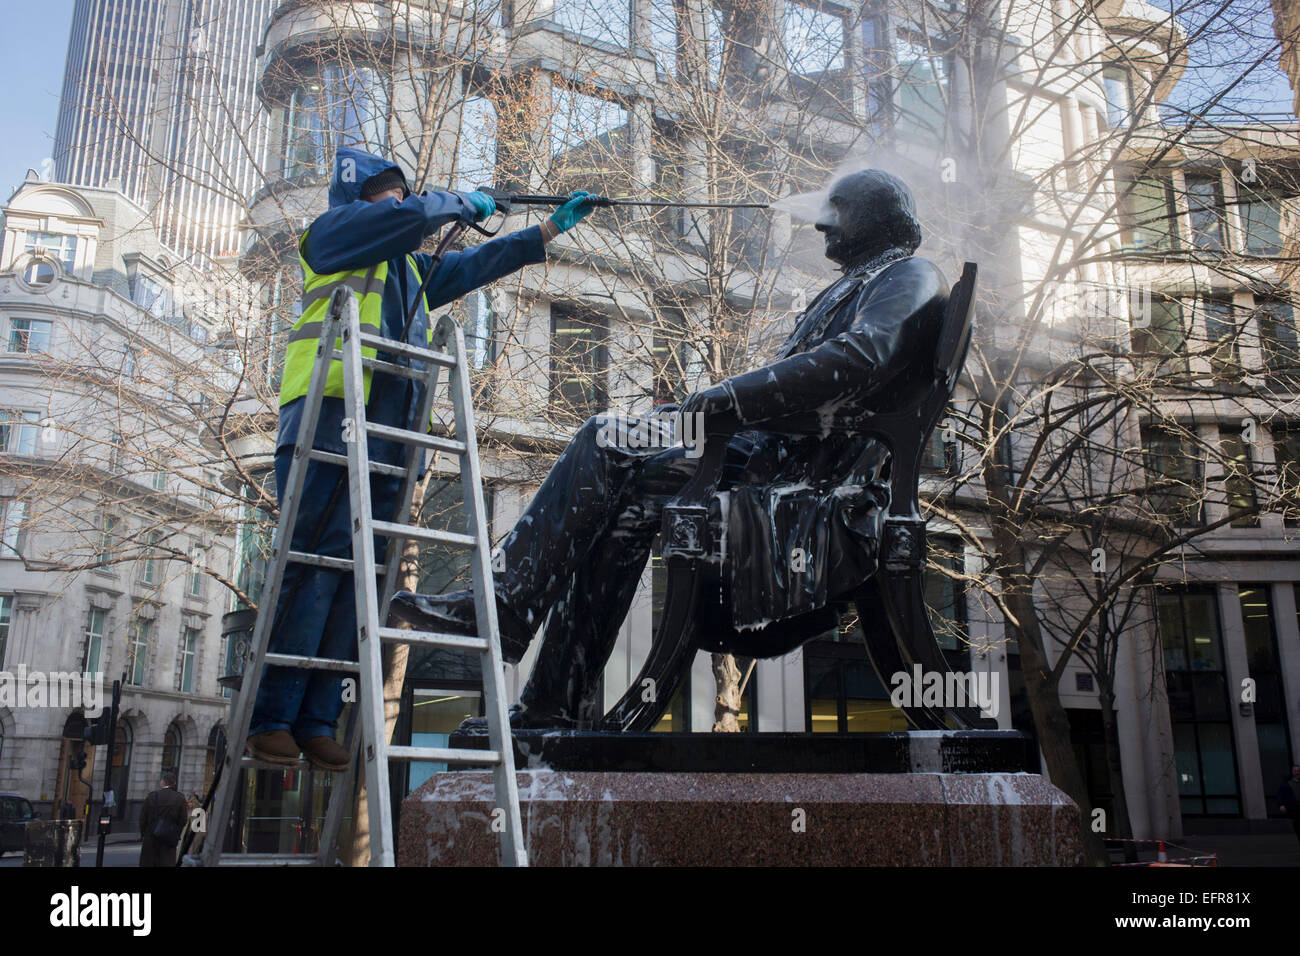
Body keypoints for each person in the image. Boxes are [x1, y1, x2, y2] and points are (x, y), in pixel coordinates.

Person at [388, 169, 948, 730]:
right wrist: (693, 410)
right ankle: (548, 704)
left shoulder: (910, 275)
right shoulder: (860, 282)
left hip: (799, 475)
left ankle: (509, 609)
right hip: (763, 455)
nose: (823, 226)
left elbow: (862, 356)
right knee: (617, 491)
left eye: (839, 210)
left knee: (606, 437)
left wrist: (729, 395)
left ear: (876, 215)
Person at [244, 146, 596, 770]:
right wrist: (458, 201)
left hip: (387, 422)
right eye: (392, 194)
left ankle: (318, 717)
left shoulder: (403, 263)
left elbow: (469, 267)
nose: (404, 204)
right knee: (315, 559)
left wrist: (541, 231)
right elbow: (401, 223)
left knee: (360, 572)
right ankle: (273, 715)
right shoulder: (330, 234)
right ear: (361, 197)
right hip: (329, 410)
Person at [138, 771, 189, 867]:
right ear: (174, 783)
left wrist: (144, 834)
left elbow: (142, 819)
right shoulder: (180, 798)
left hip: (151, 837)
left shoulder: (152, 796)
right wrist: (175, 833)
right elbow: (183, 820)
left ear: (162, 782)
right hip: (168, 839)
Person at [1278, 763, 1300, 845]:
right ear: (1292, 772)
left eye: (1298, 771)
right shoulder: (1287, 784)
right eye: (1295, 771)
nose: (1297, 772)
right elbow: (1280, 795)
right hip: (1295, 810)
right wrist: (1281, 805)